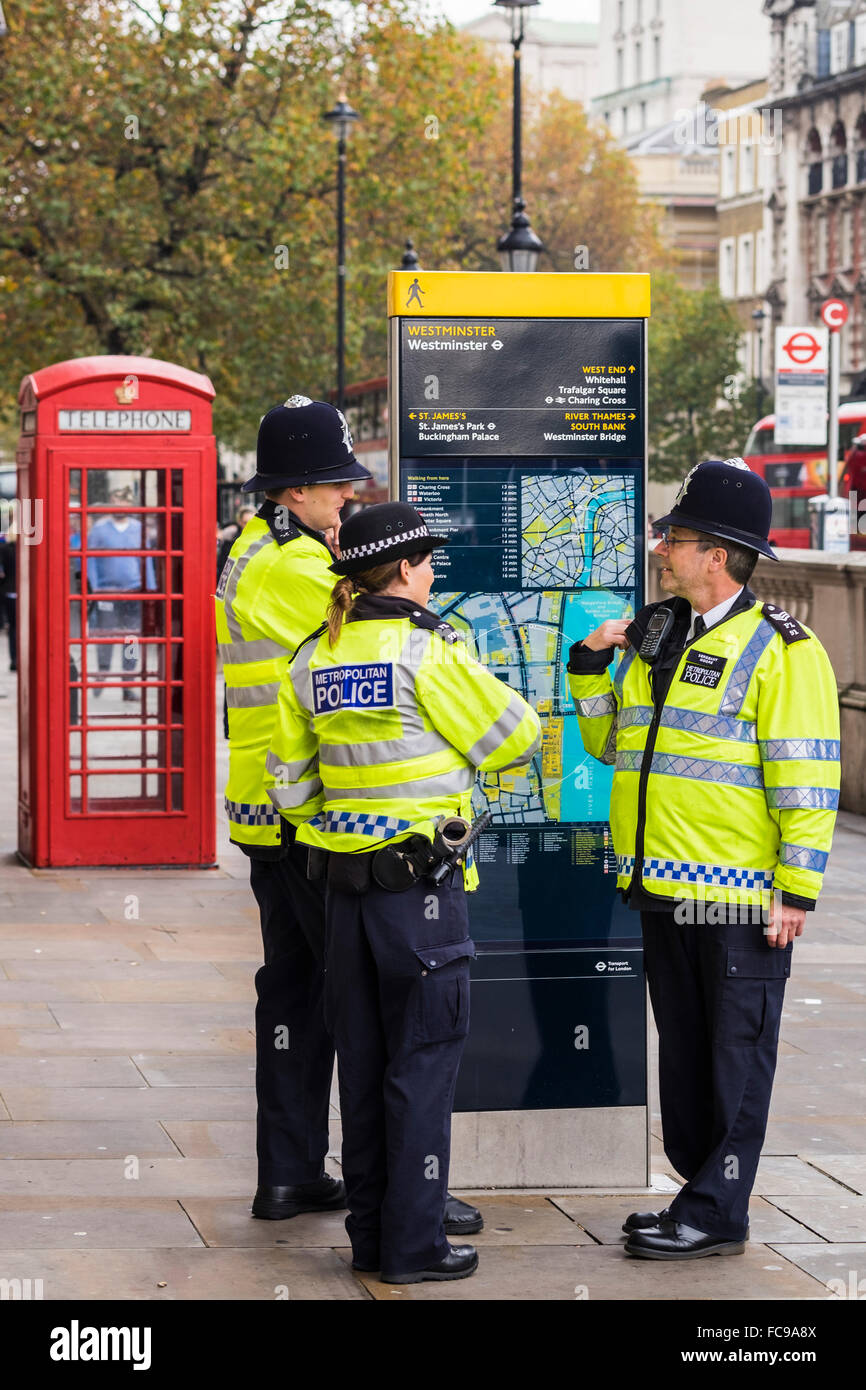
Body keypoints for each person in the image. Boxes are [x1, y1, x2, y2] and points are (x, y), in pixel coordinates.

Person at [566, 458, 840, 1260]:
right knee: (685, 1052)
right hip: (659, 885)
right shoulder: (659, 635)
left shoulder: (785, 650)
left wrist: (796, 888)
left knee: (735, 1056)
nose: (663, 550)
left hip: (741, 897)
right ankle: (699, 1193)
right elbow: (612, 743)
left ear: (716, 554)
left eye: (676, 538)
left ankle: (718, 1210)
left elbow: (808, 772)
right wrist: (590, 665)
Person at [265, 502, 541, 1283]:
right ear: (408, 570)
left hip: (342, 897)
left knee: (362, 1066)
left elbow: (289, 791)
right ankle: (415, 1249)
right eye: (428, 562)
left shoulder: (311, 656)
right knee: (421, 1067)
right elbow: (515, 735)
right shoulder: (429, 651)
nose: (432, 573)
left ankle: (370, 1239)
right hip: (420, 899)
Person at [215, 395, 370, 1223]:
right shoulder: (297, 566)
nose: (348, 497)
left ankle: (292, 1172)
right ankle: (392, 1190)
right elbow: (377, 644)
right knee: (358, 999)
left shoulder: (252, 547)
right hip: (304, 810)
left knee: (296, 996)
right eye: (338, 486)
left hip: (263, 806)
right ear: (296, 491)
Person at [86, 485, 156, 700]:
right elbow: (89, 559)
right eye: (117, 502)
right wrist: (94, 587)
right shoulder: (99, 529)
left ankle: (128, 682)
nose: (120, 506)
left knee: (131, 638)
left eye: (124, 502)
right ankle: (102, 675)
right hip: (106, 592)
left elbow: (146, 560)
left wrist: (150, 590)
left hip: (134, 592)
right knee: (104, 637)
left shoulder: (138, 528)